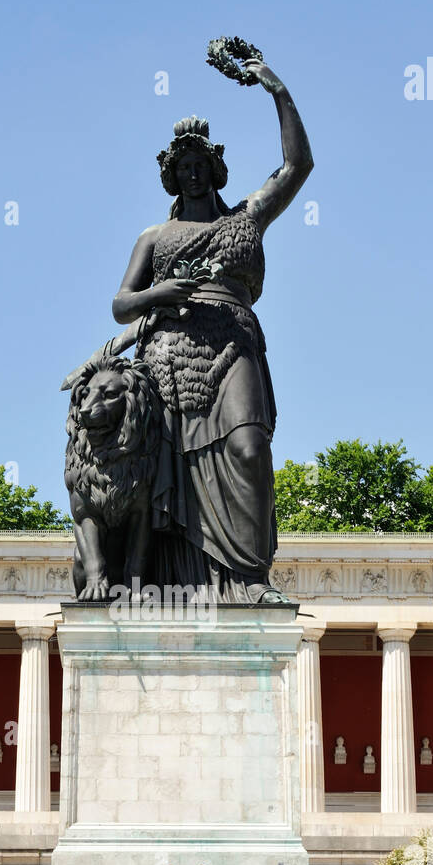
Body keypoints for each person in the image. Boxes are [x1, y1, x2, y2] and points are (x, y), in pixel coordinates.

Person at [112, 57, 313, 605]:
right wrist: (161, 293)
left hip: (233, 342)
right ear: (173, 175)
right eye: (184, 166)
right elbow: (121, 305)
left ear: (215, 168)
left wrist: (276, 88)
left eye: (200, 163)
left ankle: (250, 579)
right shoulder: (155, 236)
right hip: (169, 357)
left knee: (249, 448)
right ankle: (173, 583)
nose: (193, 173)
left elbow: (298, 165)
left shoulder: (245, 218)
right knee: (170, 467)